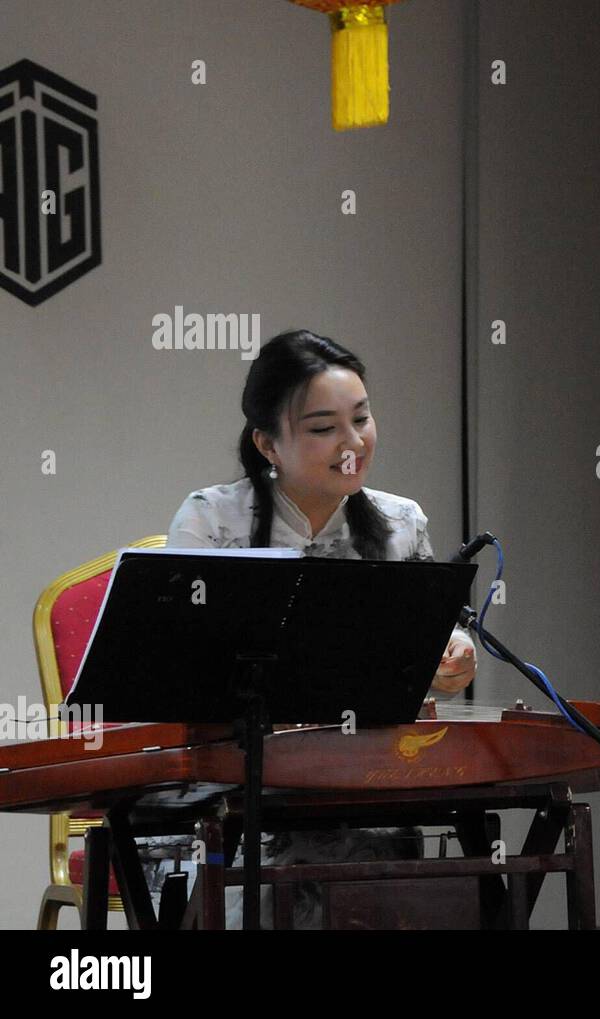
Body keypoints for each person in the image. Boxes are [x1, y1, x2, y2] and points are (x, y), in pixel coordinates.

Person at [152, 328, 477, 927]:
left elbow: (434, 657)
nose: (353, 442)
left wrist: (452, 658)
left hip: (358, 783)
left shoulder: (400, 522)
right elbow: (182, 672)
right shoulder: (211, 519)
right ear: (267, 444)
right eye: (324, 428)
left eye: (362, 418)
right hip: (236, 786)